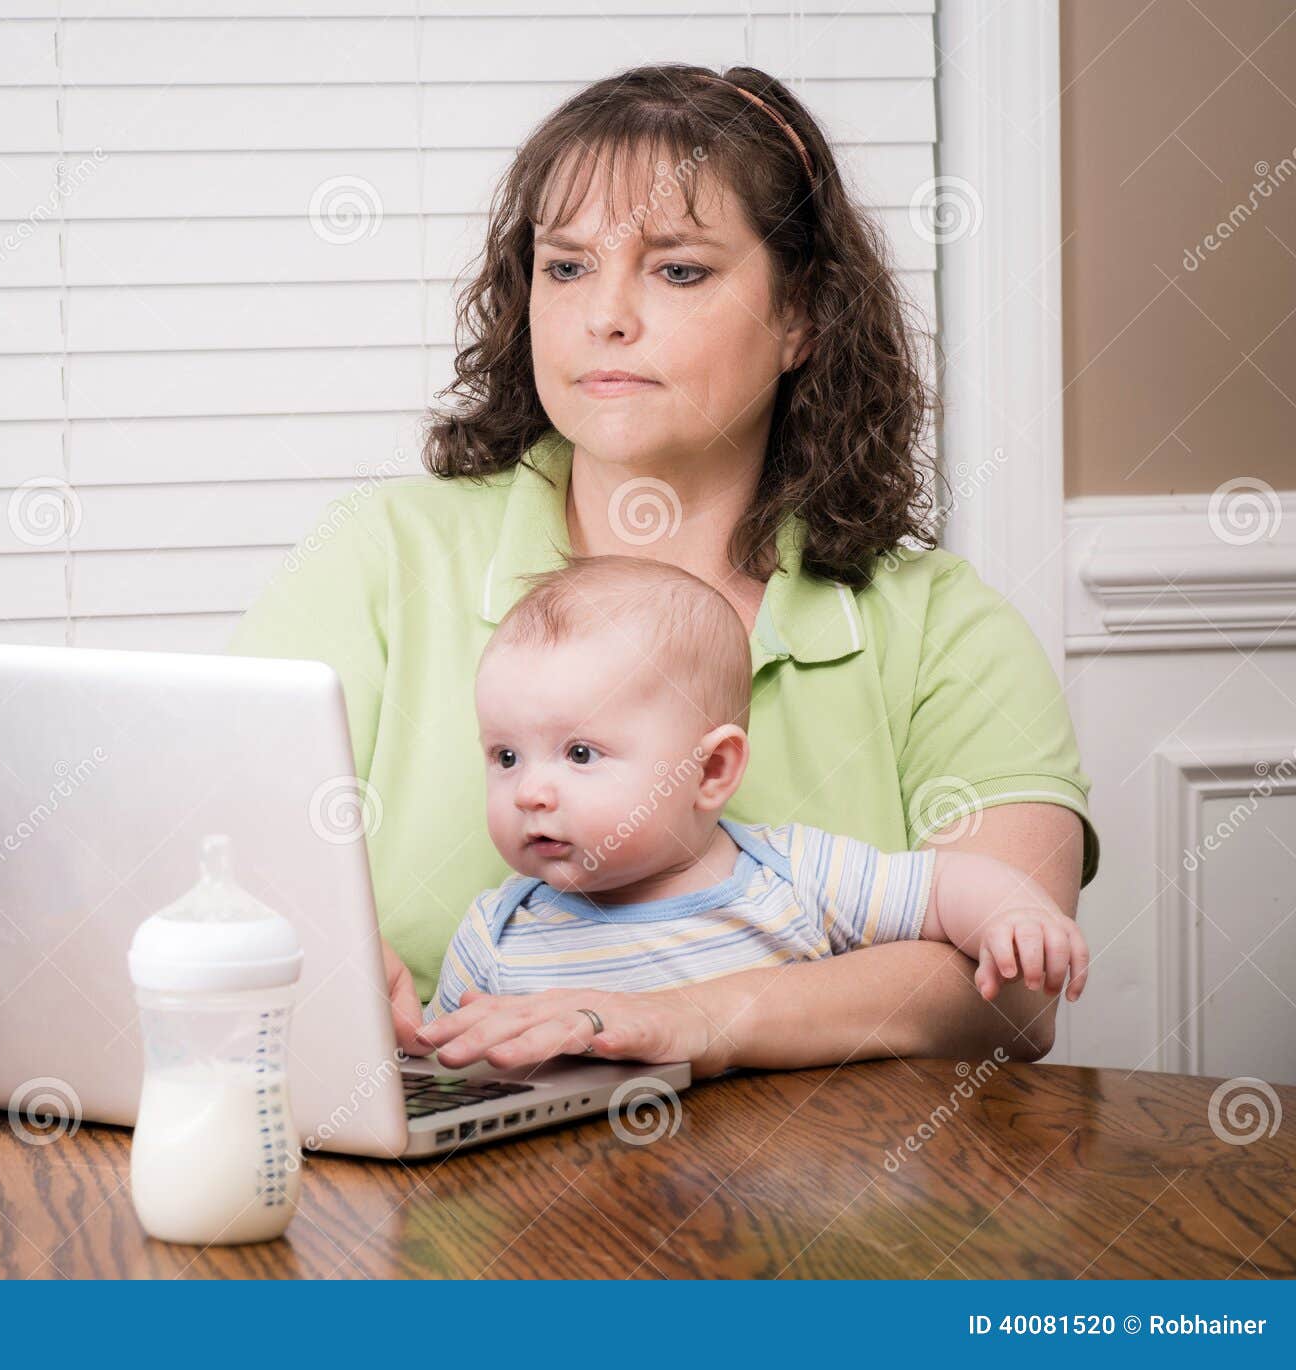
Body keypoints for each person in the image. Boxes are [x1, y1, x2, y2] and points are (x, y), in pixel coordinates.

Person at [229, 62, 1099, 1078]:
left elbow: (1014, 993)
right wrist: (306, 953)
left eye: (676, 269)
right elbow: (210, 857)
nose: (604, 315)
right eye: (564, 267)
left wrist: (681, 1018)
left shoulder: (941, 626)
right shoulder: (376, 555)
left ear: (800, 317)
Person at [418, 557, 1089, 1077]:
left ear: (710, 772)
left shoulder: (793, 874)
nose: (530, 791)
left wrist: (1013, 916)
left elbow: (942, 889)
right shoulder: (496, 936)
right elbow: (441, 1066)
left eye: (580, 753)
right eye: (506, 756)